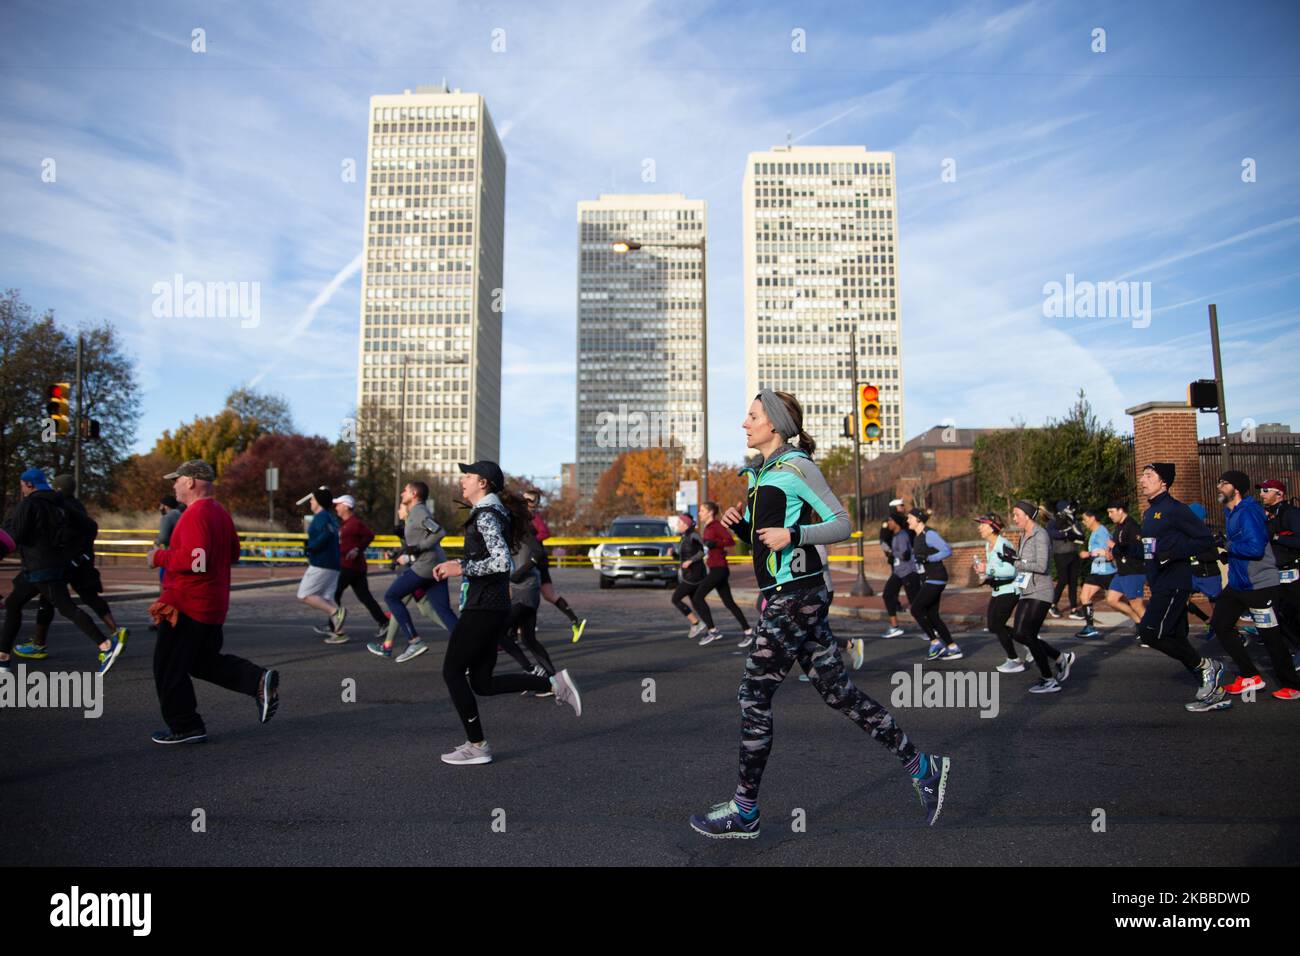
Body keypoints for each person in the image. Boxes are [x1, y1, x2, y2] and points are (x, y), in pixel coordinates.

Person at [689, 389, 950, 839]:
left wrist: (795, 534)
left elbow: (843, 522)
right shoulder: (761, 474)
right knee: (838, 694)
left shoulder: (796, 465)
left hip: (798, 593)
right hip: (786, 592)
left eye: (751, 416)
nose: (744, 424)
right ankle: (923, 766)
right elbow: (761, 542)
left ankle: (745, 810)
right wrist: (743, 525)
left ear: (773, 423)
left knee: (754, 695)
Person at [434, 462, 581, 767]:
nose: (463, 481)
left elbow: (503, 564)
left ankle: (477, 745)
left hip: (484, 606)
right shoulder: (491, 512)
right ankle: (554, 685)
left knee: (452, 671)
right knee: (482, 683)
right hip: (492, 604)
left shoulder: (487, 514)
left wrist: (459, 567)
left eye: (468, 476)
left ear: (484, 483)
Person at [147, 459, 279, 744]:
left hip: (187, 603)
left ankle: (185, 726)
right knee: (201, 661)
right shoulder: (220, 512)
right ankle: (256, 680)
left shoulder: (195, 514)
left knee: (167, 666)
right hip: (212, 604)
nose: (174, 485)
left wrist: (158, 557)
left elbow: (196, 561)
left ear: (191, 481)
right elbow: (233, 554)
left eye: (177, 479)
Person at [0, 468, 123, 675]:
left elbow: (17, 535)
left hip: (38, 565)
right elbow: (90, 526)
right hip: (53, 564)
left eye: (22, 485)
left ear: (29, 484)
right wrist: (75, 551)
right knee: (13, 602)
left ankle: (105, 646)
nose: (21, 489)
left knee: (67, 607)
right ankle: (3, 657)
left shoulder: (28, 504)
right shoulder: (60, 503)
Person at [1135, 463, 1228, 713]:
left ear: (1163, 482)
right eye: (1143, 475)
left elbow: (1205, 539)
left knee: (1150, 633)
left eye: (1149, 476)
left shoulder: (1175, 509)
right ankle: (1213, 692)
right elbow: (1152, 550)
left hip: (1174, 582)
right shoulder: (1150, 512)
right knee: (1175, 637)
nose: (1142, 480)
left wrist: (1173, 554)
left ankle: (1207, 665)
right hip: (1159, 582)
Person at [1208, 471, 1300, 700]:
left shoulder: (1248, 512)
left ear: (1236, 489)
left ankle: (1293, 685)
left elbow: (1256, 548)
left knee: (1271, 636)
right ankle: (1250, 676)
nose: (1219, 487)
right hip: (1240, 583)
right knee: (1220, 624)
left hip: (1260, 585)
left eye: (1223, 483)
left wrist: (1228, 546)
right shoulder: (1231, 511)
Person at [374, 483, 458, 662]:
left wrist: (419, 548)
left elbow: (439, 531)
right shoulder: (415, 513)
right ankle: (472, 646)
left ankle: (414, 641)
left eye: (404, 490)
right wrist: (407, 550)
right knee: (443, 611)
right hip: (434, 566)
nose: (402, 493)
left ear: (413, 493)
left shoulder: (419, 511)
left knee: (392, 596)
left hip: (426, 566)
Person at [1010, 501, 1075, 693]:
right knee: (1019, 634)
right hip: (1026, 590)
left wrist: (1017, 562)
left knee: (1028, 634)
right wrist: (1013, 559)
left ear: (1027, 515)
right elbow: (1023, 562)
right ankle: (1060, 658)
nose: (1014, 518)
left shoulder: (1041, 534)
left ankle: (1048, 679)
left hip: (1041, 591)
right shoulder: (1024, 535)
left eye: (1016, 514)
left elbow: (1041, 566)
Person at [523, 489, 587, 643]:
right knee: (548, 595)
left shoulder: (534, 516)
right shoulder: (523, 516)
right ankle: (575, 621)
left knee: (523, 594)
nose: (526, 503)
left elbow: (545, 532)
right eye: (523, 500)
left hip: (535, 560)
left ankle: (519, 630)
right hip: (535, 559)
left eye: (529, 500)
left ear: (536, 503)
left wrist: (530, 541)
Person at [504, 526, 559, 697]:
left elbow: (538, 552)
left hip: (525, 590)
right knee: (528, 639)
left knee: (498, 632)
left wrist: (519, 573)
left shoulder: (523, 530)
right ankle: (553, 680)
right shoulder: (509, 529)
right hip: (522, 590)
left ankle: (532, 671)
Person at [691, 501, 754, 647]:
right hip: (715, 568)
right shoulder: (707, 527)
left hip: (719, 569)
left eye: (702, 510)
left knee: (697, 597)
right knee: (729, 602)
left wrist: (716, 544)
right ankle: (749, 632)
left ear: (710, 512)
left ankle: (713, 630)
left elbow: (730, 541)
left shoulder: (716, 526)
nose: (699, 513)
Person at [972, 514, 1029, 673]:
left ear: (992, 527)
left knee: (996, 625)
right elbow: (996, 568)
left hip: (1011, 590)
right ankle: (1028, 641)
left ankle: (1015, 660)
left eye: (982, 524)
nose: (979, 527)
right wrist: (987, 578)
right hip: (998, 590)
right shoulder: (988, 545)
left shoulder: (1003, 545)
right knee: (992, 626)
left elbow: (1012, 569)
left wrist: (987, 569)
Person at [906, 509, 961, 661]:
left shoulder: (929, 534)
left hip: (936, 578)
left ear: (918, 519)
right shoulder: (916, 537)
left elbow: (946, 550)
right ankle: (952, 647)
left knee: (916, 609)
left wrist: (929, 558)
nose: (907, 520)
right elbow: (919, 558)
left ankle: (935, 642)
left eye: (909, 518)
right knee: (933, 616)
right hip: (928, 578)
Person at [331, 495, 388, 639]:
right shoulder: (344, 524)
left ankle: (333, 625)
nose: (336, 508)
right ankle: (383, 621)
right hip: (354, 567)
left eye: (338, 505)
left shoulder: (354, 523)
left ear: (345, 506)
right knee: (364, 596)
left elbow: (369, 535)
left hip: (349, 567)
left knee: (333, 594)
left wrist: (357, 549)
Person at [297, 488, 345, 643]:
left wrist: (311, 548)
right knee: (326, 597)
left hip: (321, 563)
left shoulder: (320, 517)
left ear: (318, 501)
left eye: (312, 499)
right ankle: (339, 633)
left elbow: (325, 535)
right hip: (334, 564)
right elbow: (330, 534)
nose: (310, 502)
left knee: (305, 595)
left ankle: (335, 612)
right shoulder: (330, 517)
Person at [1260, 479, 1300, 655]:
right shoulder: (1265, 514)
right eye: (1261, 490)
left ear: (1279, 494)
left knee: (1293, 614)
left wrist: (1276, 537)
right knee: (1276, 613)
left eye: (1266, 490)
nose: (1262, 494)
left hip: (1291, 572)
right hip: (1272, 572)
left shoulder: (1291, 513)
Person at [1105, 500, 1147, 632]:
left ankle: (1151, 632)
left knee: (1136, 604)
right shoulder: (1119, 527)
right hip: (1122, 572)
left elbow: (1138, 551)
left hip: (1133, 571)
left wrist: (1115, 548)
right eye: (1108, 512)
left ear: (1121, 510)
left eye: (1111, 512)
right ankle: (1139, 622)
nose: (1109, 515)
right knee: (1112, 600)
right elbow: (1119, 549)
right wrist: (1112, 554)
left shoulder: (1132, 526)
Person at [1074, 508, 1116, 639]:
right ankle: (1090, 627)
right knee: (1084, 597)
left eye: (1085, 519)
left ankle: (1141, 622)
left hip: (1107, 572)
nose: (1084, 522)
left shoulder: (1102, 532)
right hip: (1097, 572)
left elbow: (1110, 553)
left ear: (1092, 518)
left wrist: (1089, 554)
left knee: (1121, 602)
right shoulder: (1094, 533)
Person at [1185, 503, 1223, 638]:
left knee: (1218, 607)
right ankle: (1207, 620)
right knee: (1180, 599)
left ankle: (1230, 631)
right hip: (1192, 574)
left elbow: (1214, 555)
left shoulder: (1206, 533)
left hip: (1209, 574)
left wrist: (1195, 552)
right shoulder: (1185, 533)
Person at [880, 511, 919, 639]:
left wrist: (892, 553)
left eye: (890, 521)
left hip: (908, 572)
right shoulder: (895, 535)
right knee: (887, 594)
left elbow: (905, 555)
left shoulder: (902, 536)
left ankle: (929, 628)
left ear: (896, 522)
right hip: (898, 572)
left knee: (915, 602)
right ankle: (895, 627)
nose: (888, 523)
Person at [670, 512, 708, 639]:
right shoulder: (684, 536)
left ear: (685, 524)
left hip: (694, 575)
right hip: (689, 575)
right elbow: (684, 557)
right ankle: (712, 628)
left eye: (679, 522)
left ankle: (696, 623)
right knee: (697, 602)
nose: (677, 525)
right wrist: (673, 555)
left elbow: (702, 552)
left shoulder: (693, 535)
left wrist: (690, 561)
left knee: (676, 598)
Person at [1047, 500, 1086, 619]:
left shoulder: (1073, 520)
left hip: (1073, 553)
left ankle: (1074, 609)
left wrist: (1072, 532)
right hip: (1061, 554)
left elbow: (1080, 534)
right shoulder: (1054, 520)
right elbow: (1050, 532)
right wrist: (1064, 534)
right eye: (1068, 508)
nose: (1071, 509)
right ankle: (1053, 604)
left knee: (1073, 582)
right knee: (1063, 580)